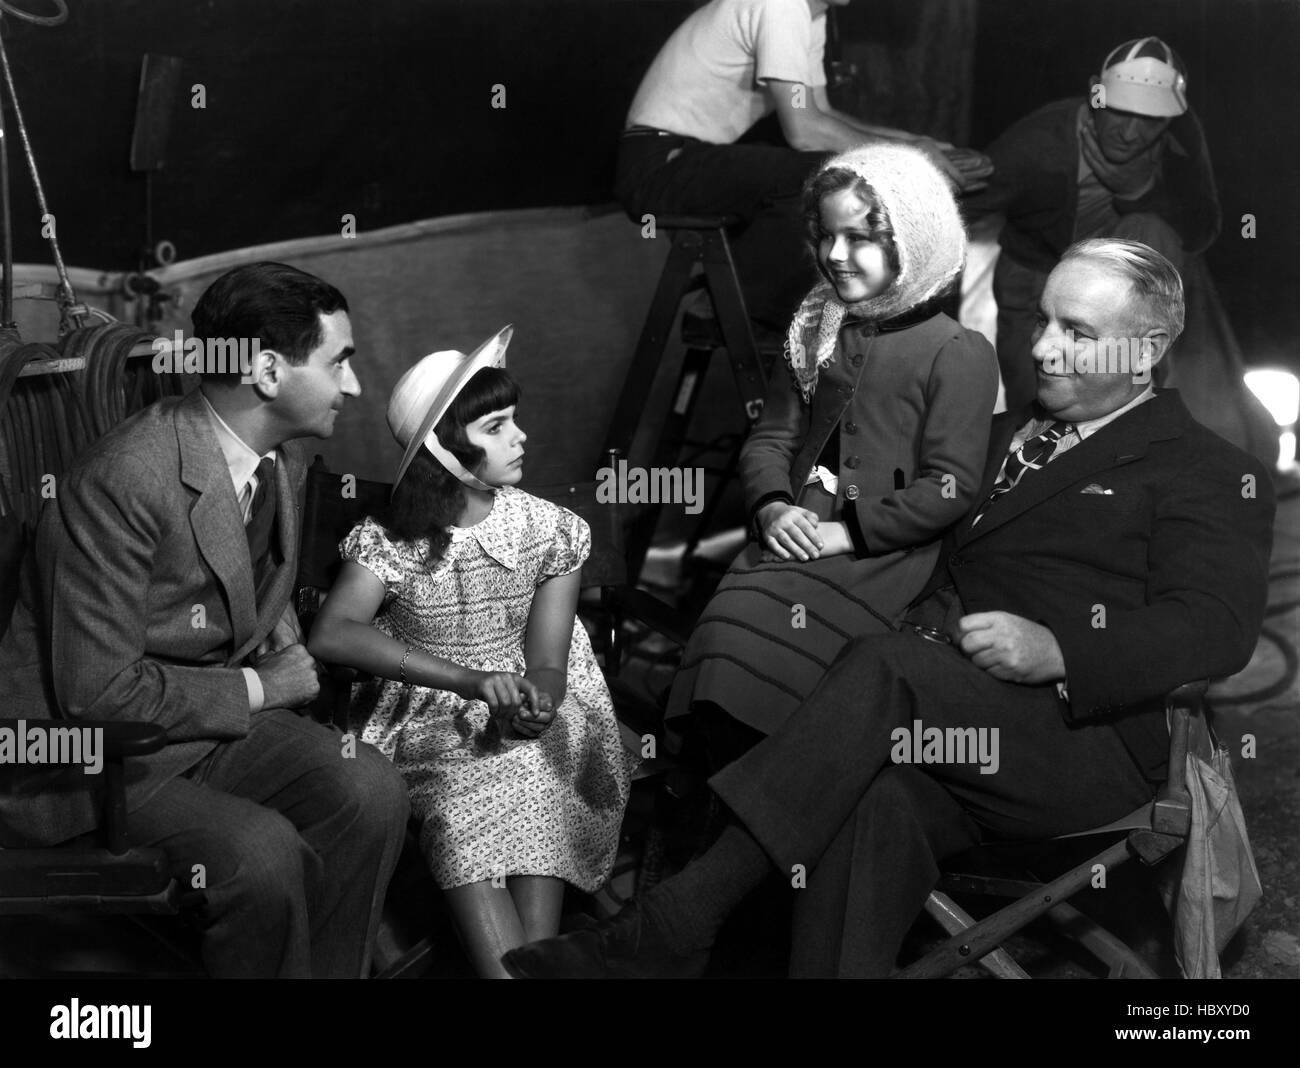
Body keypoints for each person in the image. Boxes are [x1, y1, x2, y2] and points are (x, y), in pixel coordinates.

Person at [501, 238, 1276, 978]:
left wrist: (1062, 650)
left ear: (1145, 353)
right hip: (950, 719)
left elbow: (1217, 627)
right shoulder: (998, 436)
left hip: (1079, 749)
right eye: (1043, 319)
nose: (1042, 348)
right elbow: (867, 486)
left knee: (886, 668)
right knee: (873, 802)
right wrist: (788, 502)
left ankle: (670, 928)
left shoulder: (1208, 472)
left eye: (1078, 333)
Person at [0, 261, 411, 978]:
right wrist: (265, 688)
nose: (354, 386)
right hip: (91, 757)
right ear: (269, 372)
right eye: (339, 362)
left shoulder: (273, 454)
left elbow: (241, 578)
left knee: (372, 791)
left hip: (199, 724)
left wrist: (279, 634)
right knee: (260, 853)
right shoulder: (124, 479)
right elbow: (95, 695)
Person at [306, 328, 636, 979]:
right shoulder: (390, 539)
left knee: (534, 766)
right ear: (446, 450)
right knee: (464, 804)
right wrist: (466, 680)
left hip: (526, 705)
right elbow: (333, 632)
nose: (521, 437)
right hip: (424, 711)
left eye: (513, 420)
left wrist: (537, 701)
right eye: (496, 426)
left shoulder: (548, 530)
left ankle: (527, 970)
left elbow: (547, 659)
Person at [666, 141, 998, 761]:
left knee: (784, 661)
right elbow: (773, 436)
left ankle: (778, 800)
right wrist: (769, 506)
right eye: (827, 235)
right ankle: (707, 800)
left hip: (885, 553)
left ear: (915, 241)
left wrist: (848, 533)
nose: (835, 255)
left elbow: (949, 487)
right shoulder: (817, 325)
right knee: (724, 634)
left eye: (860, 239)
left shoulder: (957, 351)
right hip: (794, 530)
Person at [966, 36, 1276, 465]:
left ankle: (1134, 428)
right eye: (1119, 112)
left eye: (1150, 121)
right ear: (1096, 92)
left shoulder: (1181, 134)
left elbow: (1204, 227)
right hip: (1036, 280)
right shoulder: (1038, 146)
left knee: (1151, 229)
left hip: (1120, 291)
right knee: (1037, 407)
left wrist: (1137, 194)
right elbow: (960, 207)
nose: (1131, 134)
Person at [616, 0, 990, 330]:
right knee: (815, 178)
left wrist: (915, 145)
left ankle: (745, 296)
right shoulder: (782, 6)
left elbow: (821, 114)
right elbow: (805, 132)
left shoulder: (811, 15)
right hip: (658, 167)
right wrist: (912, 159)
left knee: (828, 174)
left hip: (687, 158)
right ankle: (742, 307)